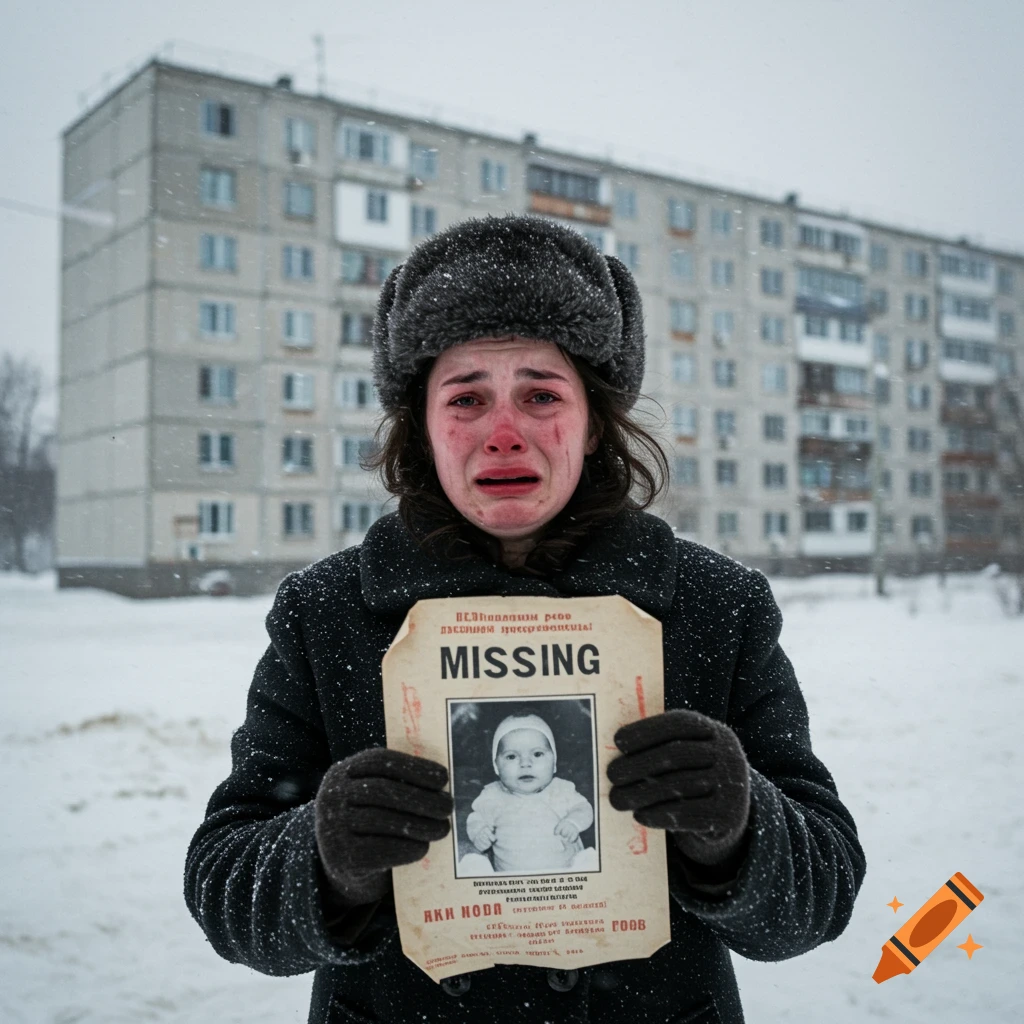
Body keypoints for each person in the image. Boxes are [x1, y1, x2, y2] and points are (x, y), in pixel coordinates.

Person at [185, 214, 866, 1024]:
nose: (503, 434)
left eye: (540, 394)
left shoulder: (716, 606)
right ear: (422, 425)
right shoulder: (326, 611)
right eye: (466, 397)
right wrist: (325, 857)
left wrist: (739, 824)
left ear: (593, 418)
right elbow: (226, 893)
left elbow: (820, 899)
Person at [461, 712, 596, 875]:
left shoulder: (561, 789)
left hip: (566, 872)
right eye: (511, 756)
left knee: (589, 859)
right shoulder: (492, 795)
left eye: (537, 754)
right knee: (472, 863)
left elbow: (583, 808)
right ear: (496, 766)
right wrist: (479, 832)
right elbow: (476, 818)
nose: (525, 763)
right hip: (510, 877)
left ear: (553, 762)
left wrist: (574, 822)